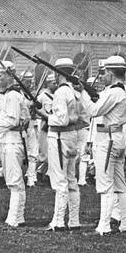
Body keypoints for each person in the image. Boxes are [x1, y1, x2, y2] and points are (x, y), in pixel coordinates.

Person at [81, 56, 126, 234]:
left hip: (107, 139)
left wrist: (82, 93)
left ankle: (103, 226)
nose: (102, 76)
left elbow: (94, 111)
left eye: (104, 73)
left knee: (105, 185)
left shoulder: (114, 92)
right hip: (117, 138)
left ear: (111, 73)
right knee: (120, 184)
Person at [44, 58, 87, 230]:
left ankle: (58, 221)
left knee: (60, 180)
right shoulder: (75, 92)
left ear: (57, 73)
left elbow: (61, 119)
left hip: (60, 136)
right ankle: (74, 221)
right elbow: (83, 116)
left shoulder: (62, 92)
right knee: (71, 179)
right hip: (71, 136)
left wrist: (45, 114)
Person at [0, 61, 31, 227]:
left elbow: (13, 119)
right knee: (13, 180)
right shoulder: (12, 95)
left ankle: (14, 218)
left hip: (13, 140)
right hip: (9, 139)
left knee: (15, 181)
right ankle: (17, 216)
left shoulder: (13, 95)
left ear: (10, 76)